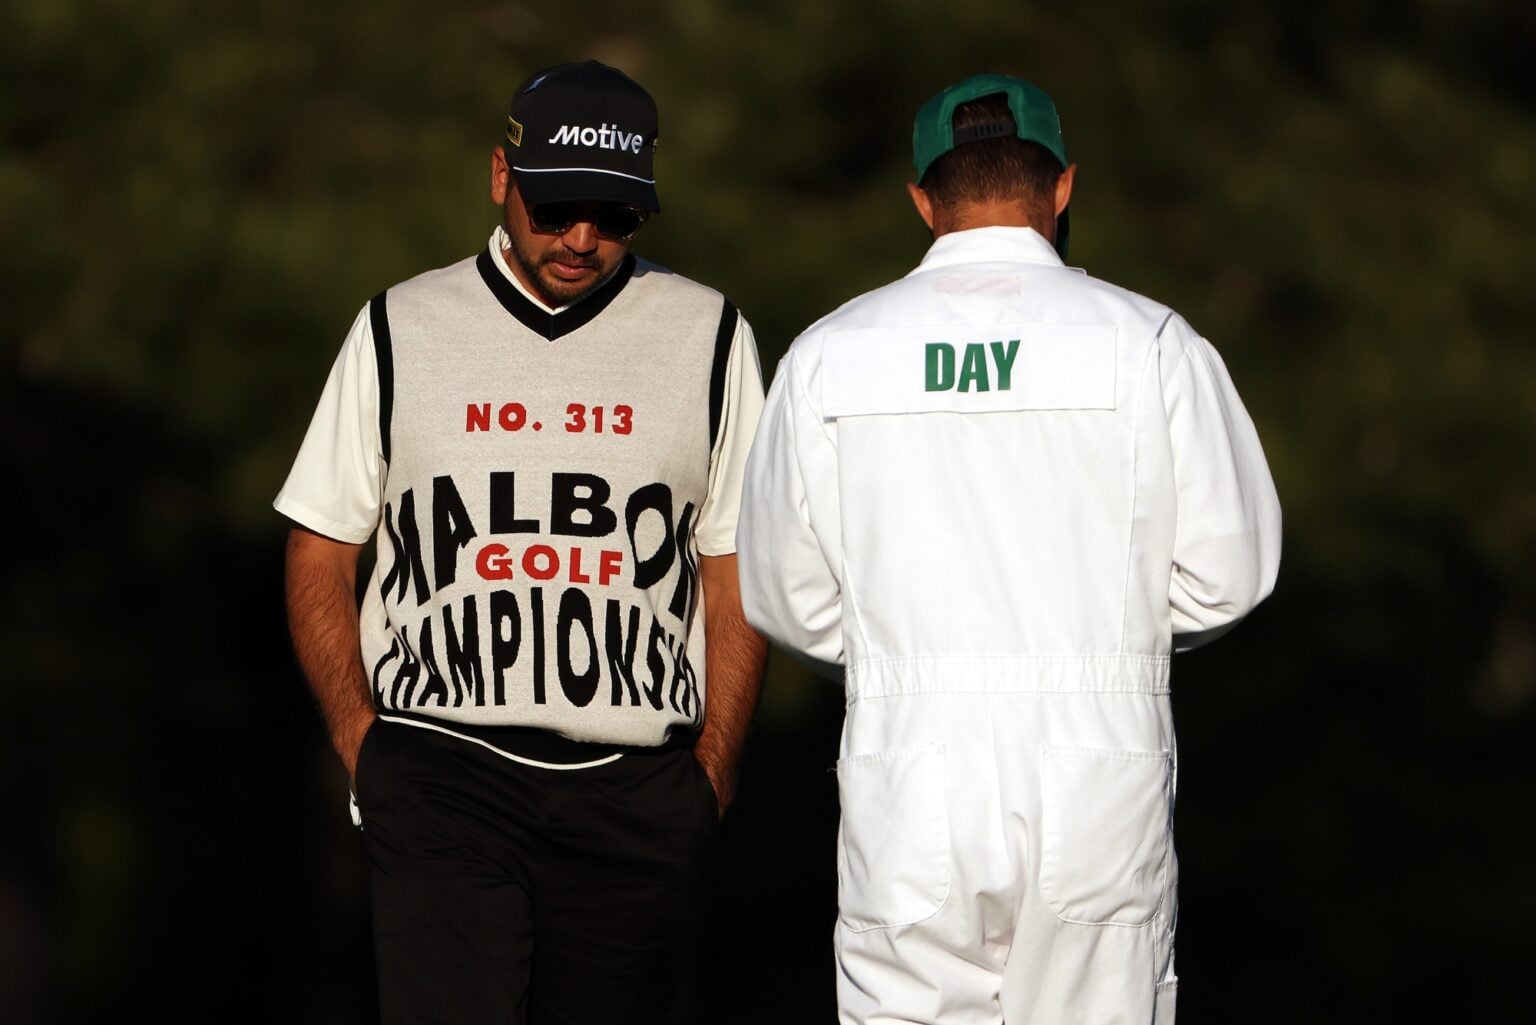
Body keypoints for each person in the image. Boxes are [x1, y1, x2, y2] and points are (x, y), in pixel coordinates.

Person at [736, 72, 1281, 1025]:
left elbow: (784, 594)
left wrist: (898, 653)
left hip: (909, 757)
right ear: (1062, 188)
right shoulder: (1151, 343)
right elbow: (1231, 573)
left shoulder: (830, 353)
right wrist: (1115, 641)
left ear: (921, 199)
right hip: (1098, 755)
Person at [275, 59, 768, 1025]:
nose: (581, 239)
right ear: (503, 177)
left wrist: (711, 774)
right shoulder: (399, 325)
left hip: (636, 791)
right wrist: (360, 742)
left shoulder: (709, 334)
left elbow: (734, 561)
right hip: (441, 771)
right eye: (555, 207)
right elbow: (321, 545)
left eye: (616, 217)